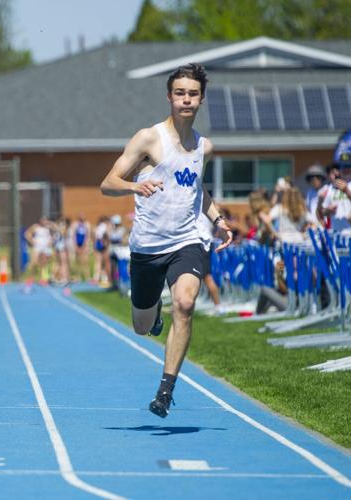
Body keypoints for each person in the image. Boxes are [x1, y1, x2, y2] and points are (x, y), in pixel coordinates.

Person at [99, 63, 232, 418]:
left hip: (186, 240)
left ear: (201, 99)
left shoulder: (204, 145)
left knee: (186, 304)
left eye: (192, 94)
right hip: (147, 246)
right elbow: (107, 182)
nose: (185, 100)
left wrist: (218, 219)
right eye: (179, 93)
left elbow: (195, 189)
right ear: (170, 97)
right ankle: (153, 313)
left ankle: (165, 390)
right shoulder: (149, 138)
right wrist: (133, 185)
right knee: (143, 327)